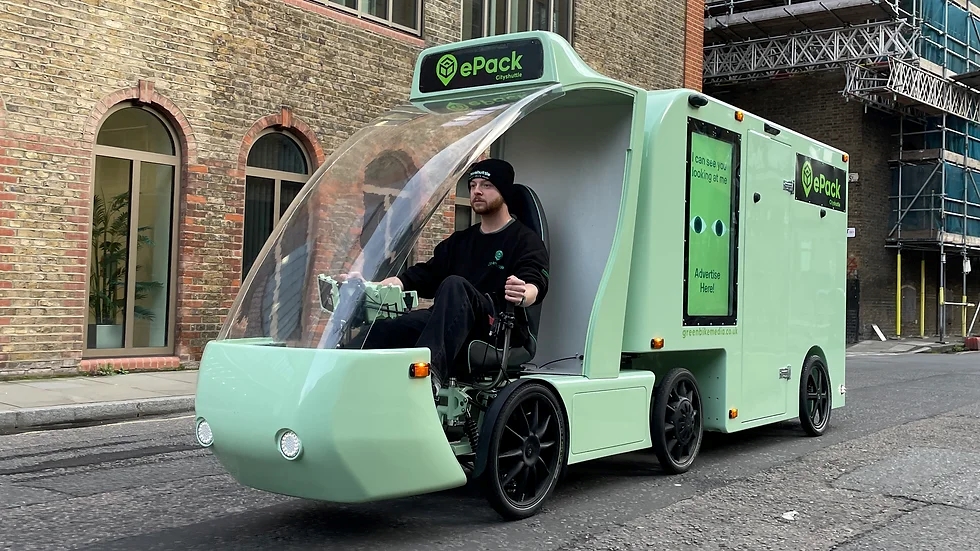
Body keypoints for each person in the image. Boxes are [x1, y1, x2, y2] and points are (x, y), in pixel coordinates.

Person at [347, 158, 550, 396]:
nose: (476, 191)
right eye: (473, 185)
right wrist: (386, 284)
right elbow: (428, 274)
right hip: (449, 317)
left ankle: (428, 379)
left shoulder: (524, 239)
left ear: (504, 191)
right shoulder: (461, 241)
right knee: (382, 329)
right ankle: (341, 372)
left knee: (455, 285)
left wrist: (526, 292)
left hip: (495, 322)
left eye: (486, 185)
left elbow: (536, 279)